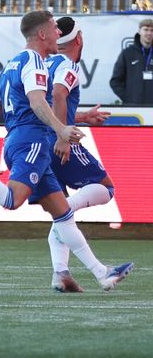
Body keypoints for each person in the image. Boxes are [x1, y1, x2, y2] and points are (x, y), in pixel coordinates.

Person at [0, 10, 133, 292]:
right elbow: (37, 102)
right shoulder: (34, 61)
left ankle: (100, 274)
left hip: (22, 140)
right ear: (42, 34)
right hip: (32, 141)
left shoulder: (11, 65)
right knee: (11, 199)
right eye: (55, 28)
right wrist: (61, 130)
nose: (59, 33)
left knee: (63, 215)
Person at [42, 16, 116, 292]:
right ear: (79, 39)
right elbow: (59, 95)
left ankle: (60, 274)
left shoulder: (45, 63)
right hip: (58, 141)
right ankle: (93, 271)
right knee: (106, 188)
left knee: (60, 216)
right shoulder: (68, 64)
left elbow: (47, 102)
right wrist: (63, 135)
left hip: (37, 143)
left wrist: (83, 115)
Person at [109, 18, 153, 104]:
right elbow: (115, 81)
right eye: (146, 30)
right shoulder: (127, 53)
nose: (149, 33)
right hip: (133, 108)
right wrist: (129, 98)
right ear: (139, 31)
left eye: (152, 30)